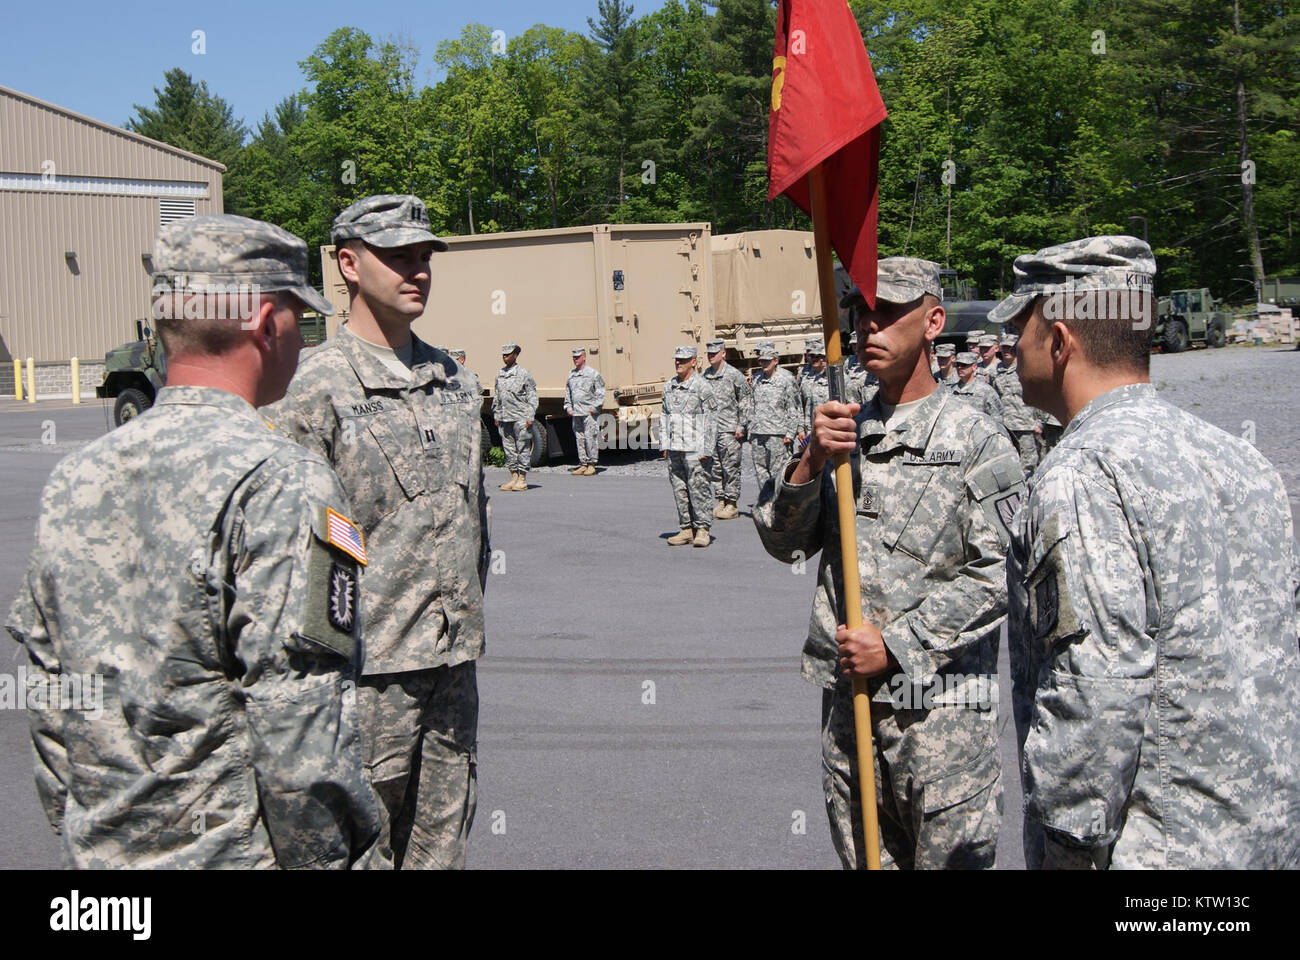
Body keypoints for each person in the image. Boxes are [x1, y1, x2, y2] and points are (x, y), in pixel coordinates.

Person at [6, 214, 386, 869]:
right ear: (268, 323)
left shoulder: (75, 477)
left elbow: (47, 696)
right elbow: (301, 732)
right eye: (299, 316)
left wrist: (93, 837)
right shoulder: (284, 479)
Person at [999, 235, 1300, 869]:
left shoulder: (1081, 473)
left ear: (1059, 341)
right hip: (1264, 842)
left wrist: (1064, 848)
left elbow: (1096, 692)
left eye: (1019, 328)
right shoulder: (1241, 458)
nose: (1009, 349)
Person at [755, 257, 1026, 870]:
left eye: (887, 314)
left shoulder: (977, 436)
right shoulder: (842, 432)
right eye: (859, 314)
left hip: (941, 723)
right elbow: (785, 546)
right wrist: (808, 464)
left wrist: (899, 644)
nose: (868, 328)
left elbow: (999, 570)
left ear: (932, 321)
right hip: (851, 715)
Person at [267, 194, 489, 871]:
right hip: (366, 678)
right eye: (397, 255)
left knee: (439, 851)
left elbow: (474, 521)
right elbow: (303, 547)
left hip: (451, 667)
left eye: (424, 256)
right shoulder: (315, 388)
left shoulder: (454, 378)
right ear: (349, 264)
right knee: (360, 854)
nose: (417, 269)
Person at [661, 346, 718, 547]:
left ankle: (702, 529)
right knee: (680, 488)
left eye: (683, 360)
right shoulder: (669, 386)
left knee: (699, 488)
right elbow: (664, 414)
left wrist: (707, 448)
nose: (678, 363)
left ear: (693, 362)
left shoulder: (702, 387)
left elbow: (712, 419)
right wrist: (664, 443)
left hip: (696, 448)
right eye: (677, 359)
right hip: (676, 447)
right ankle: (687, 528)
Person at [701, 338, 751, 520]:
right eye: (709, 354)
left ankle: (732, 503)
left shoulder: (734, 375)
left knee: (731, 467)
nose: (711, 356)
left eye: (714, 353)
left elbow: (745, 399)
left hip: (729, 429)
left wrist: (741, 425)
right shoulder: (704, 376)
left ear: (723, 353)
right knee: (715, 467)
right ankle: (721, 499)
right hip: (711, 430)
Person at [748, 340, 800, 494]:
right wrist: (750, 430)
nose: (764, 364)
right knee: (761, 471)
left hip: (778, 434)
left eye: (767, 360)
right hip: (758, 433)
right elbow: (752, 405)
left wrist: (790, 433)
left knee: (778, 473)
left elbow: (793, 408)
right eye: (761, 360)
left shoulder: (786, 379)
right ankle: (766, 504)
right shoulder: (757, 378)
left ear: (775, 360)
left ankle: (779, 506)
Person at [990, 333, 1038, 476]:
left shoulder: (1026, 368)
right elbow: (993, 398)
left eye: (1010, 348)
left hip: (1025, 424)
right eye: (1004, 348)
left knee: (1029, 462)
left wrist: (1039, 422)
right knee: (1008, 461)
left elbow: (1037, 396)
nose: (1006, 352)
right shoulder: (995, 372)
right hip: (1006, 425)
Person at [493, 342, 539, 491]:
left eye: (508, 354)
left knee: (523, 447)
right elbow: (497, 397)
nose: (505, 357)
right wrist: (496, 414)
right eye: (503, 355)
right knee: (509, 449)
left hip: (520, 418)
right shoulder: (500, 374)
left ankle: (522, 479)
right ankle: (513, 477)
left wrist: (530, 417)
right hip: (505, 418)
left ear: (515, 355)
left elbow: (532, 396)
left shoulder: (523, 373)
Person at [565, 347, 605, 475]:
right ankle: (583, 463)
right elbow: (568, 393)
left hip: (589, 413)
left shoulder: (593, 374)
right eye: (574, 357)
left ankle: (592, 464)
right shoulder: (571, 375)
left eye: (577, 357)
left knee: (590, 438)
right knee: (580, 439)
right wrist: (568, 407)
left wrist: (595, 407)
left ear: (584, 357)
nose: (575, 359)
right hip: (576, 413)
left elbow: (600, 391)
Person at [950, 351, 1004, 423]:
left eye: (963, 365)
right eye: (957, 365)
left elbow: (997, 418)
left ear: (974, 367)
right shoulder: (951, 390)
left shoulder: (986, 390)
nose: (959, 368)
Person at [798, 338, 828, 447]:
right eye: (812, 356)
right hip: (810, 430)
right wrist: (801, 428)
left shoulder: (835, 378)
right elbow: (800, 405)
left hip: (829, 429)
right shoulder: (806, 378)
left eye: (819, 356)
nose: (815, 359)